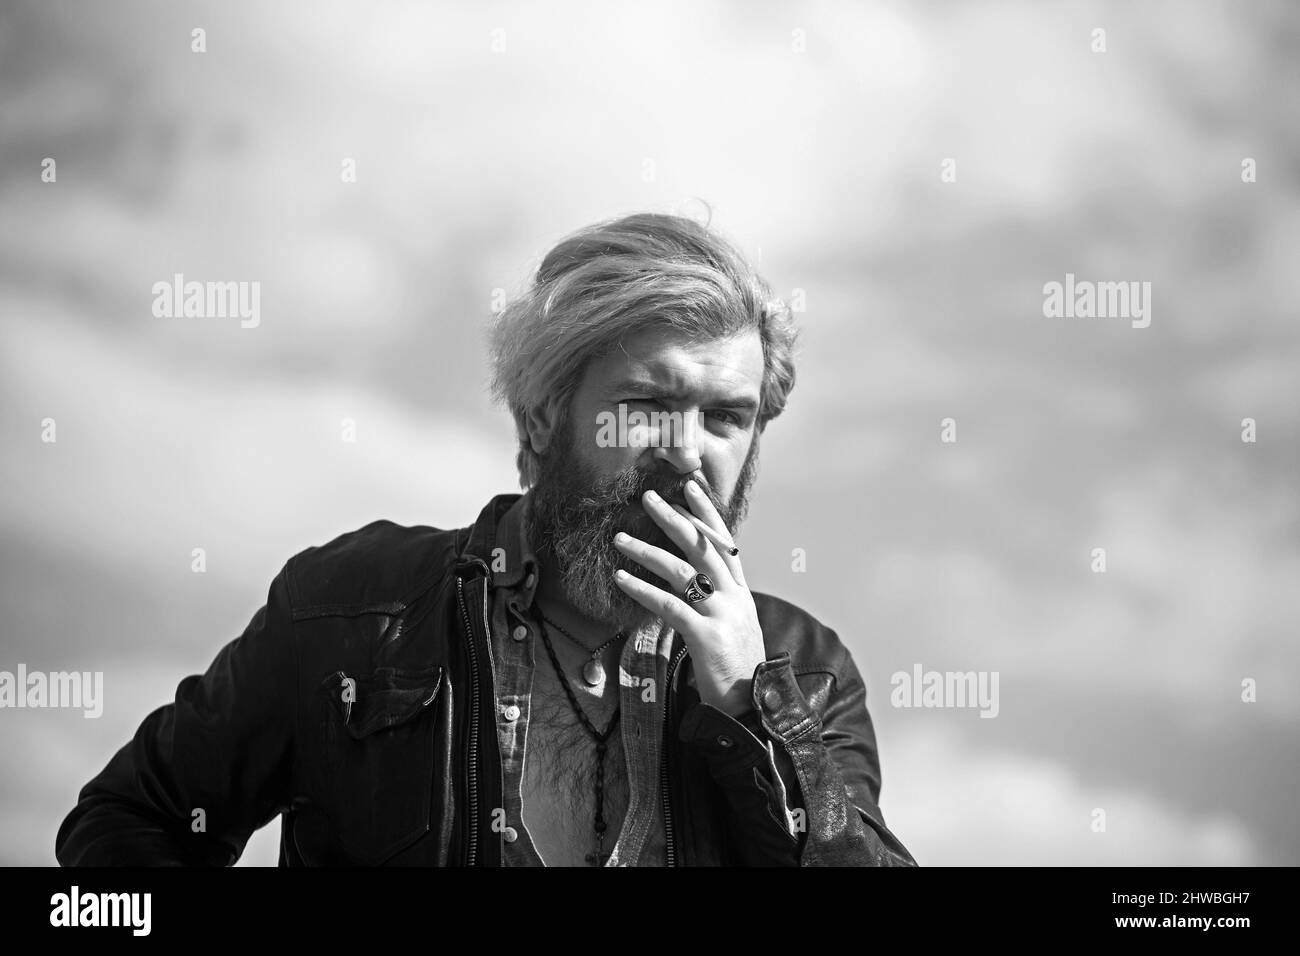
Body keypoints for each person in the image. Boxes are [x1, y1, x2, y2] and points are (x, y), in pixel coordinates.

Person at [55, 211, 917, 867]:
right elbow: (123, 829)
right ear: (544, 417)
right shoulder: (352, 610)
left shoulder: (803, 669)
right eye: (648, 405)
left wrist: (750, 708)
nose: (688, 448)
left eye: (726, 416)